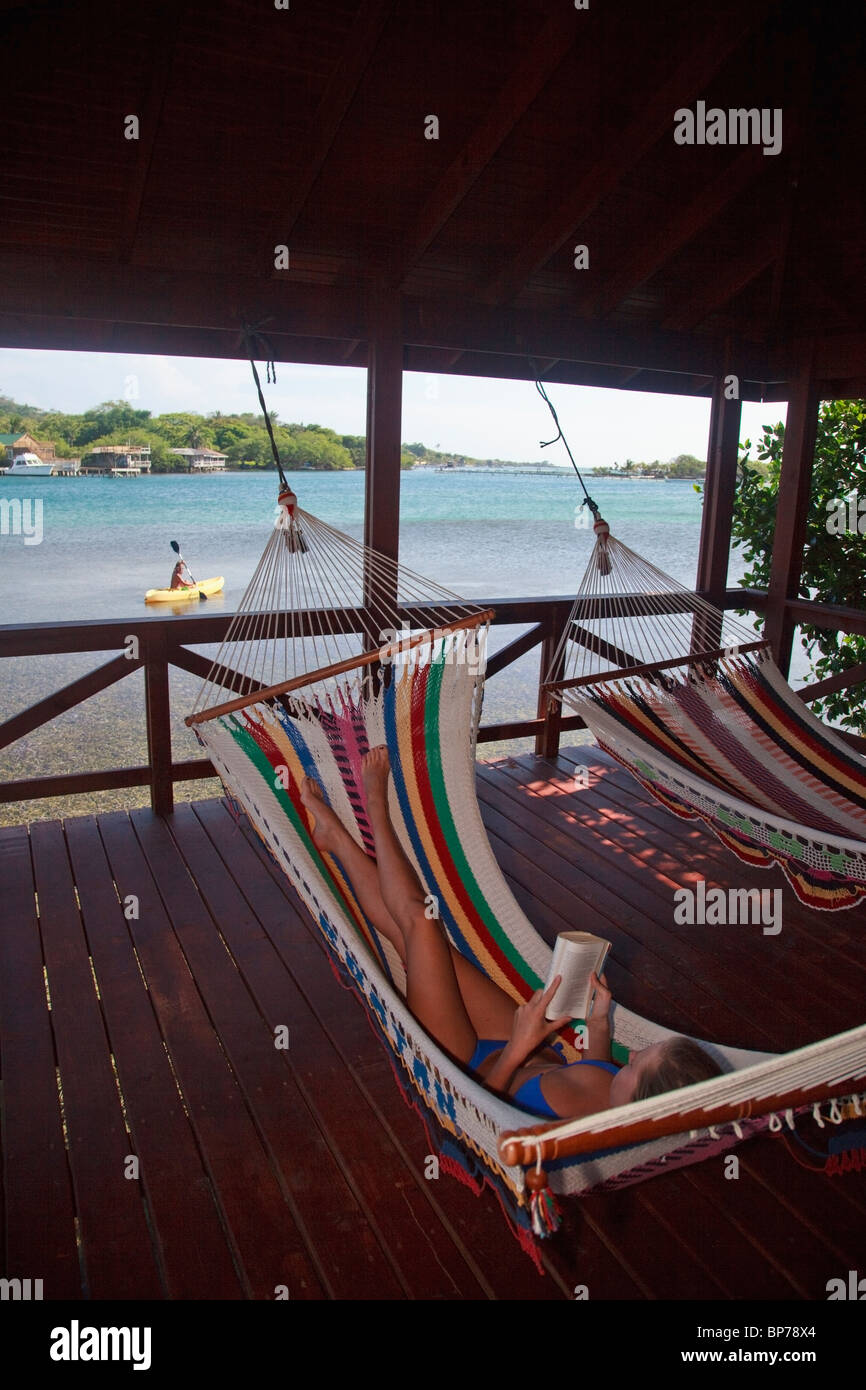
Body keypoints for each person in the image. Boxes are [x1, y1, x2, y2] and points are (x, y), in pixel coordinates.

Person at [300, 746, 723, 1121]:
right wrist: (597, 1025)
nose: (625, 1062)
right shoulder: (617, 1101)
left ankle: (376, 807)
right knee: (422, 945)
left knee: (421, 923)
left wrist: (520, 1047)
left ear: (644, 1106)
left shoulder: (587, 1133)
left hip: (467, 1067)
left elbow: (480, 1114)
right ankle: (335, 839)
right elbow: (598, 1075)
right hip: (515, 1049)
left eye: (632, 1068)